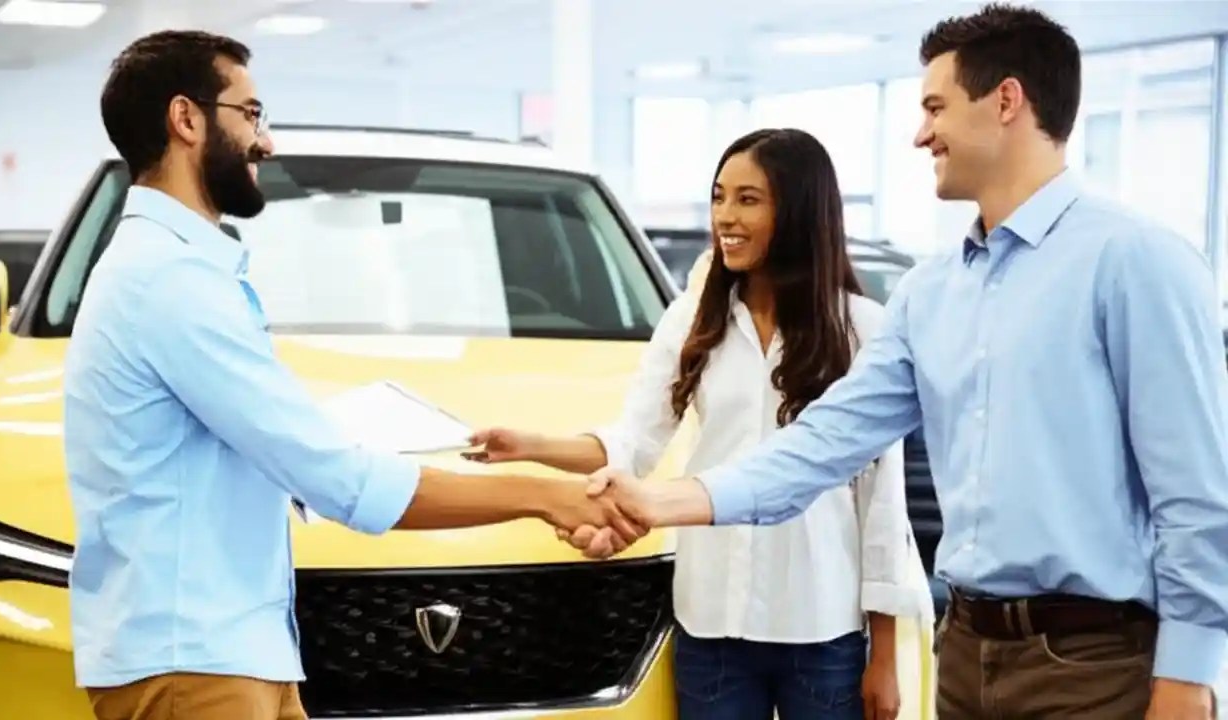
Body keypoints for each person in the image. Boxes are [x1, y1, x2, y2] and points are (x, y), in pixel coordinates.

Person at [564, 4, 1228, 719]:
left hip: (1094, 665)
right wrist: (661, 500)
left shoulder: (1134, 262)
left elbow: (1196, 494)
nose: (920, 133)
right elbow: (822, 444)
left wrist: (1189, 674)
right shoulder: (931, 292)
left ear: (1007, 100)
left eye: (935, 107)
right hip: (965, 653)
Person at [61, 30, 639, 720]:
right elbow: (340, 481)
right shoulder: (168, 280)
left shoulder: (178, 270)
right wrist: (545, 496)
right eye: (251, 113)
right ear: (186, 119)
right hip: (195, 660)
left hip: (233, 649)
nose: (266, 142)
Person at [466, 128, 931, 720]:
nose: (725, 218)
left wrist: (884, 654)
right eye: (718, 197)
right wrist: (531, 445)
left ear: (798, 210)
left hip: (821, 627)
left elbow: (883, 504)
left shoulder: (863, 328)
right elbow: (631, 443)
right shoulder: (693, 318)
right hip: (710, 625)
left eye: (748, 199)